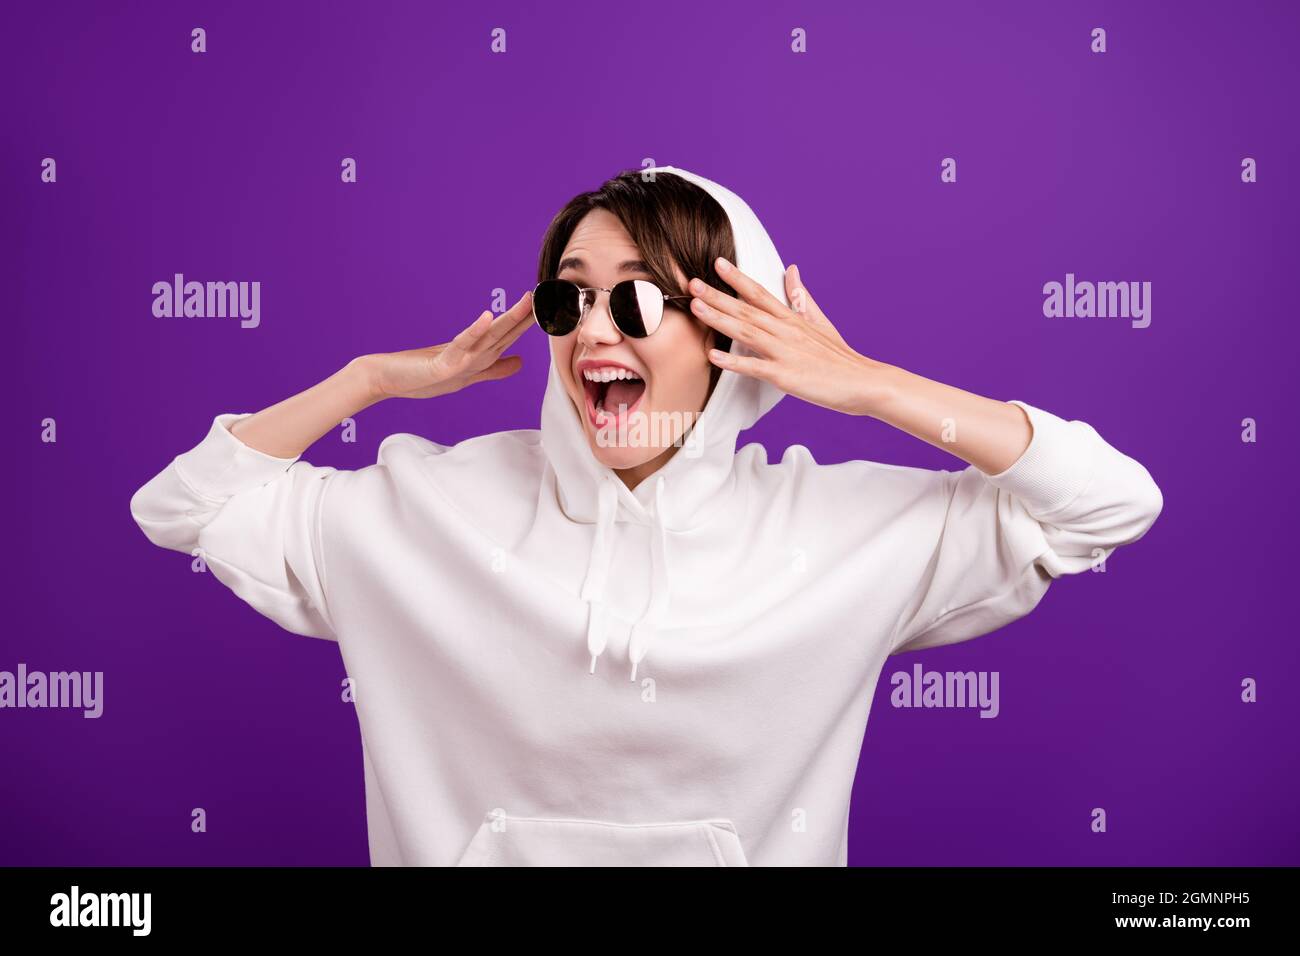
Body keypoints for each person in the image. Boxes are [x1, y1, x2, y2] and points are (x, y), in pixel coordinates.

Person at [129, 166, 1163, 866]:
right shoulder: (421, 507)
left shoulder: (841, 528)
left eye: (635, 299)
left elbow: (1112, 502)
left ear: (727, 330)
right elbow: (183, 504)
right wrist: (366, 380)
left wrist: (870, 384)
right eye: (565, 299)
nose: (591, 331)